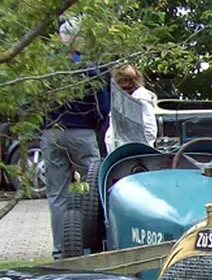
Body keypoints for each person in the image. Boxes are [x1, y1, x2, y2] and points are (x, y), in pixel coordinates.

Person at [42, 18, 108, 258]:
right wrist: (96, 124)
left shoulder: (47, 70)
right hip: (82, 133)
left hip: (52, 132)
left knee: (57, 194)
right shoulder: (89, 69)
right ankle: (96, 244)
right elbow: (103, 105)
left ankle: (60, 251)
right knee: (94, 189)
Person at [106, 64, 158, 152]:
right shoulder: (120, 98)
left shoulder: (142, 99)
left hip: (135, 153)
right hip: (119, 151)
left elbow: (149, 131)